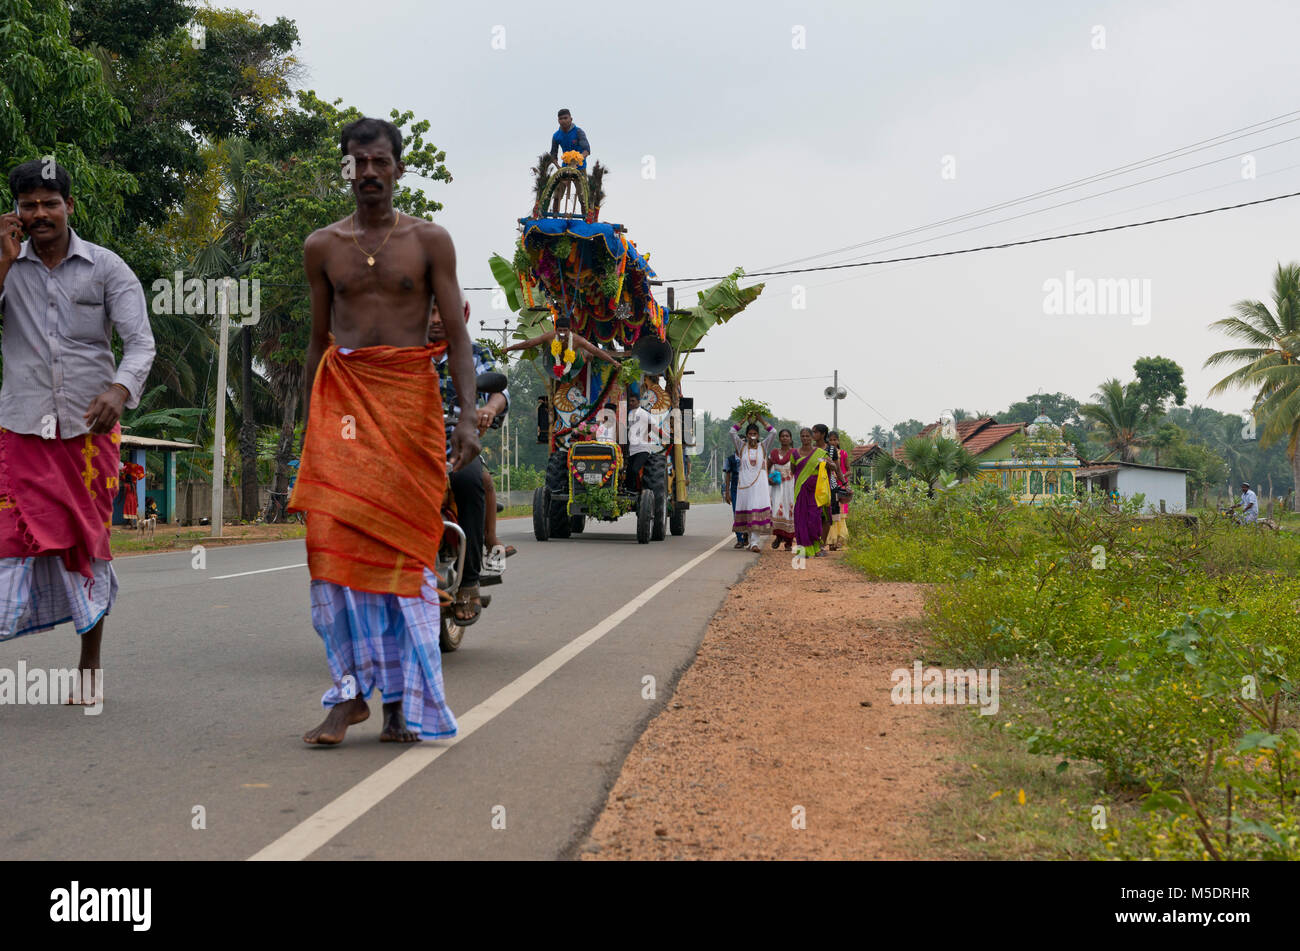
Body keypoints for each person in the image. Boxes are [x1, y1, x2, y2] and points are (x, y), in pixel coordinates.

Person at [291, 117, 481, 746]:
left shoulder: (430, 242)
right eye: (358, 163)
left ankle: (399, 701)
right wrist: (314, 421)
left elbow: (456, 338)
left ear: (398, 168)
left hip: (410, 407)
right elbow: (319, 339)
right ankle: (348, 695)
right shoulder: (322, 247)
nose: (368, 172)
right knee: (331, 549)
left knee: (405, 556)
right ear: (346, 169)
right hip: (343, 402)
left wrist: (470, 417)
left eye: (379, 162)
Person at [0, 159, 156, 703]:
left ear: (69, 205)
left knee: (86, 543)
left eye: (50, 202)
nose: (39, 214)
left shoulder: (107, 268)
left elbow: (141, 341)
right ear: (15, 210)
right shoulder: (7, 265)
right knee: (7, 542)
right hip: (20, 429)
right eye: (28, 205)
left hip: (89, 436)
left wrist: (119, 390)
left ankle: (89, 666)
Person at [428, 296, 508, 625]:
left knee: (470, 481)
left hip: (456, 443)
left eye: (442, 311)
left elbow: (499, 390)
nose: (435, 319)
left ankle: (470, 582)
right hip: (407, 443)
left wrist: (489, 408)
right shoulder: (402, 352)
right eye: (429, 311)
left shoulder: (473, 354)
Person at [730, 416, 776, 551]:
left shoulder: (763, 446)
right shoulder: (741, 446)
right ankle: (751, 542)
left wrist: (760, 420)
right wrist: (744, 419)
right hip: (745, 484)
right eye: (750, 434)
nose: (752, 436)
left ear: (758, 435)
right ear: (746, 435)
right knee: (749, 510)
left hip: (759, 485)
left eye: (755, 434)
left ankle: (755, 542)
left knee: (756, 508)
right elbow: (732, 432)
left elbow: (773, 432)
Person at [791, 427, 829, 558]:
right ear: (800, 437)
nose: (805, 438)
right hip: (801, 490)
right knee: (801, 519)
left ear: (812, 437)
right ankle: (804, 549)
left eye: (808, 436)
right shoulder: (795, 454)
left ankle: (817, 547)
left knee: (814, 518)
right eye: (803, 436)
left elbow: (833, 467)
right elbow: (794, 470)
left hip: (815, 490)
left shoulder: (819, 453)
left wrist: (825, 463)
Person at [549, 108, 591, 212]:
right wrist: (558, 167)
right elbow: (553, 154)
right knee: (557, 194)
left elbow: (587, 150)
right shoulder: (556, 136)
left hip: (580, 167)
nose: (563, 120)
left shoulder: (578, 132)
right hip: (564, 168)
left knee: (583, 196)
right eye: (560, 119)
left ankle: (587, 220)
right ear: (558, 120)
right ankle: (554, 217)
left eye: (565, 118)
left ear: (571, 119)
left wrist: (577, 161)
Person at [768, 429, 796, 551]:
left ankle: (789, 542)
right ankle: (779, 537)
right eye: (782, 436)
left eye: (787, 436)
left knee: (789, 511)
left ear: (790, 438)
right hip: (777, 487)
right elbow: (766, 467)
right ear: (779, 439)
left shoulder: (795, 453)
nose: (784, 438)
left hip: (790, 486)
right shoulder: (774, 453)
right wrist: (768, 480)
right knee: (777, 510)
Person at [625, 388, 655, 491]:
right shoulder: (630, 413)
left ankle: (635, 491)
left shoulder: (643, 413)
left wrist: (646, 434)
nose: (631, 403)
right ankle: (629, 493)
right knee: (628, 472)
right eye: (630, 401)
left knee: (634, 470)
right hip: (632, 449)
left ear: (638, 402)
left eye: (633, 401)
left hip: (642, 448)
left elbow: (652, 423)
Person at [825, 431, 851, 550]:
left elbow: (849, 470)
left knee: (840, 514)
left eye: (835, 440)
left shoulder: (843, 454)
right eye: (830, 440)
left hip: (841, 485)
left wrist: (842, 477)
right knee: (831, 511)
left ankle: (840, 539)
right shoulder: (826, 453)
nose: (833, 442)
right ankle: (831, 540)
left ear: (838, 441)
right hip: (829, 485)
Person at [722, 448, 744, 548]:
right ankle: (740, 539)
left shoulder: (750, 457)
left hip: (748, 489)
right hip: (735, 489)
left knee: (748, 513)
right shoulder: (730, 459)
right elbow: (727, 475)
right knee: (736, 513)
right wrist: (727, 492)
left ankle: (747, 537)